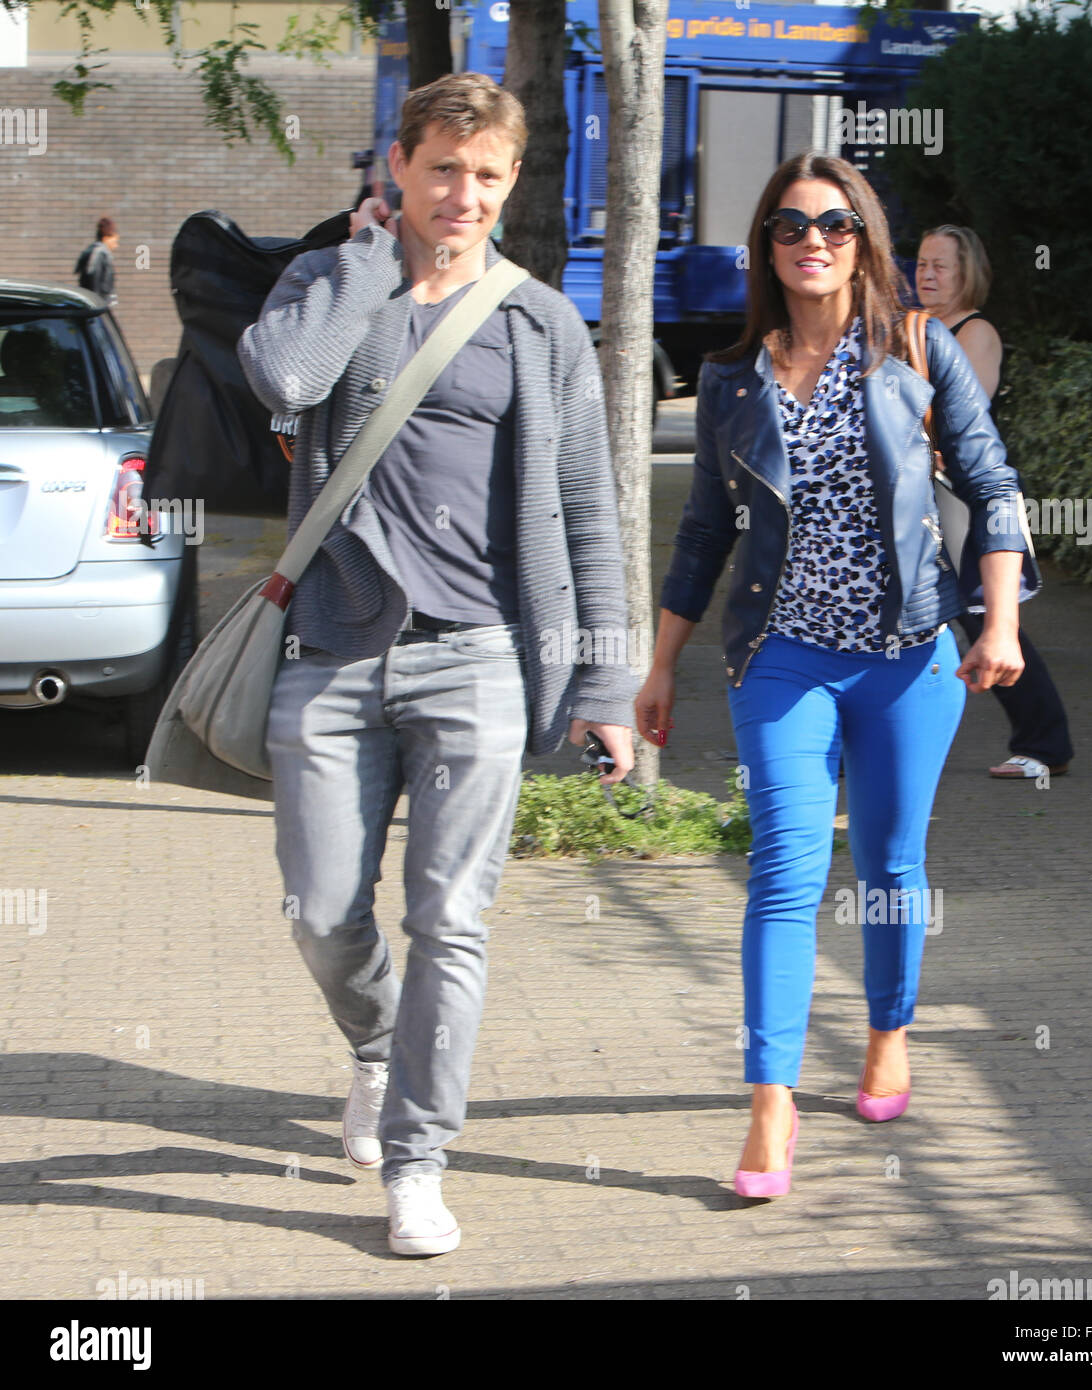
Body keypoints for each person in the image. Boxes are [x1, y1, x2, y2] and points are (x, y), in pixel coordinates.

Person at [237, 72, 636, 1255]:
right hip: (334, 646)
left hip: (477, 658)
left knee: (451, 921)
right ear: (399, 166)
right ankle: (374, 1047)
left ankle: (418, 1161)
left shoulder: (537, 321)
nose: (463, 194)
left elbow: (584, 511)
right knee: (319, 911)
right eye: (443, 168)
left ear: (510, 185)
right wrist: (366, 261)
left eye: (487, 175)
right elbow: (285, 380)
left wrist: (606, 683)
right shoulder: (327, 281)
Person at [635, 152, 1039, 1196]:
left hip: (910, 658)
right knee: (782, 870)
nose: (810, 240)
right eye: (786, 225)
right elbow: (700, 533)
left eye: (831, 223)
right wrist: (660, 664)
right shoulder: (730, 378)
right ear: (764, 247)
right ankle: (768, 1102)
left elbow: (992, 484)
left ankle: (887, 1030)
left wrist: (998, 623)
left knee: (892, 867)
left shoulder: (913, 349)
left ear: (862, 238)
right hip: (780, 657)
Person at [916, 224, 1073, 778]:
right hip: (920, 498)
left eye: (941, 265)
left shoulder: (973, 332)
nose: (926, 274)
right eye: (921, 263)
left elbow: (966, 415)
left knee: (988, 620)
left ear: (968, 274)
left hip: (963, 501)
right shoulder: (914, 328)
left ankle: (1046, 745)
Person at [74, 217, 118, 304]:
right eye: (115, 239)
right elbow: (95, 283)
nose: (116, 244)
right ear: (106, 237)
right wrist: (97, 304)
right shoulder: (99, 254)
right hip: (98, 303)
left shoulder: (101, 253)